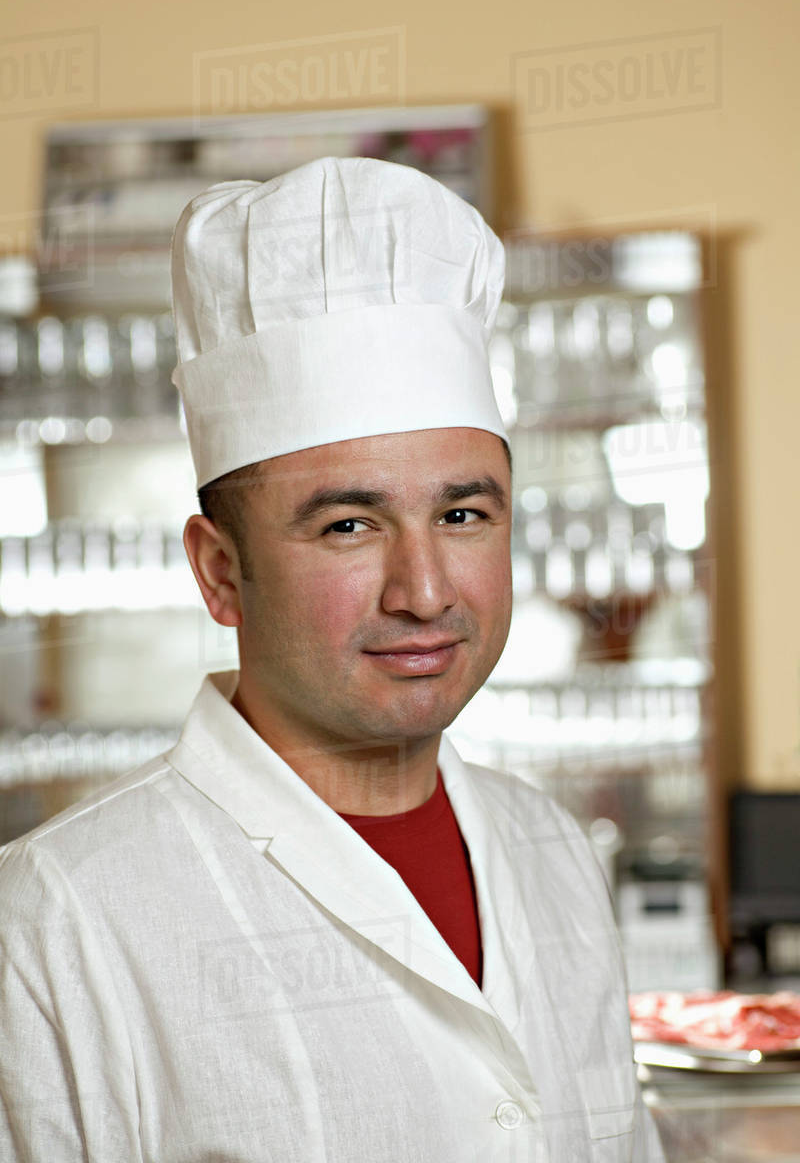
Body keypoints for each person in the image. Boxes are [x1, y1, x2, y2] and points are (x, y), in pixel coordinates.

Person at [0, 157, 664, 1161]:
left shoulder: (553, 850)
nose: (424, 591)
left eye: (462, 514)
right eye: (349, 525)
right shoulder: (58, 921)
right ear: (221, 572)